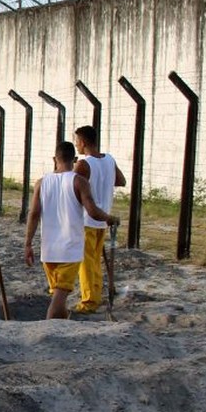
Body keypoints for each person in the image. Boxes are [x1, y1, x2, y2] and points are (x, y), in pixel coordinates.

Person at [24, 141, 120, 319]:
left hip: (49, 250)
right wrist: (109, 218)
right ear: (75, 159)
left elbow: (34, 214)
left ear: (55, 159)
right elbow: (92, 211)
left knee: (59, 294)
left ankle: (61, 323)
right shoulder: (79, 182)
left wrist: (28, 243)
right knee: (59, 298)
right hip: (69, 249)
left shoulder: (41, 183)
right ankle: (49, 329)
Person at [72, 125, 126, 315]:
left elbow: (71, 186)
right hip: (104, 218)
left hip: (87, 218)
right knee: (94, 260)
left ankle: (89, 301)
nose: (76, 145)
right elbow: (121, 180)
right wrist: (104, 180)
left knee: (86, 263)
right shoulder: (109, 159)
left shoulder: (83, 163)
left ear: (83, 142)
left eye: (76, 141)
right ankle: (96, 294)